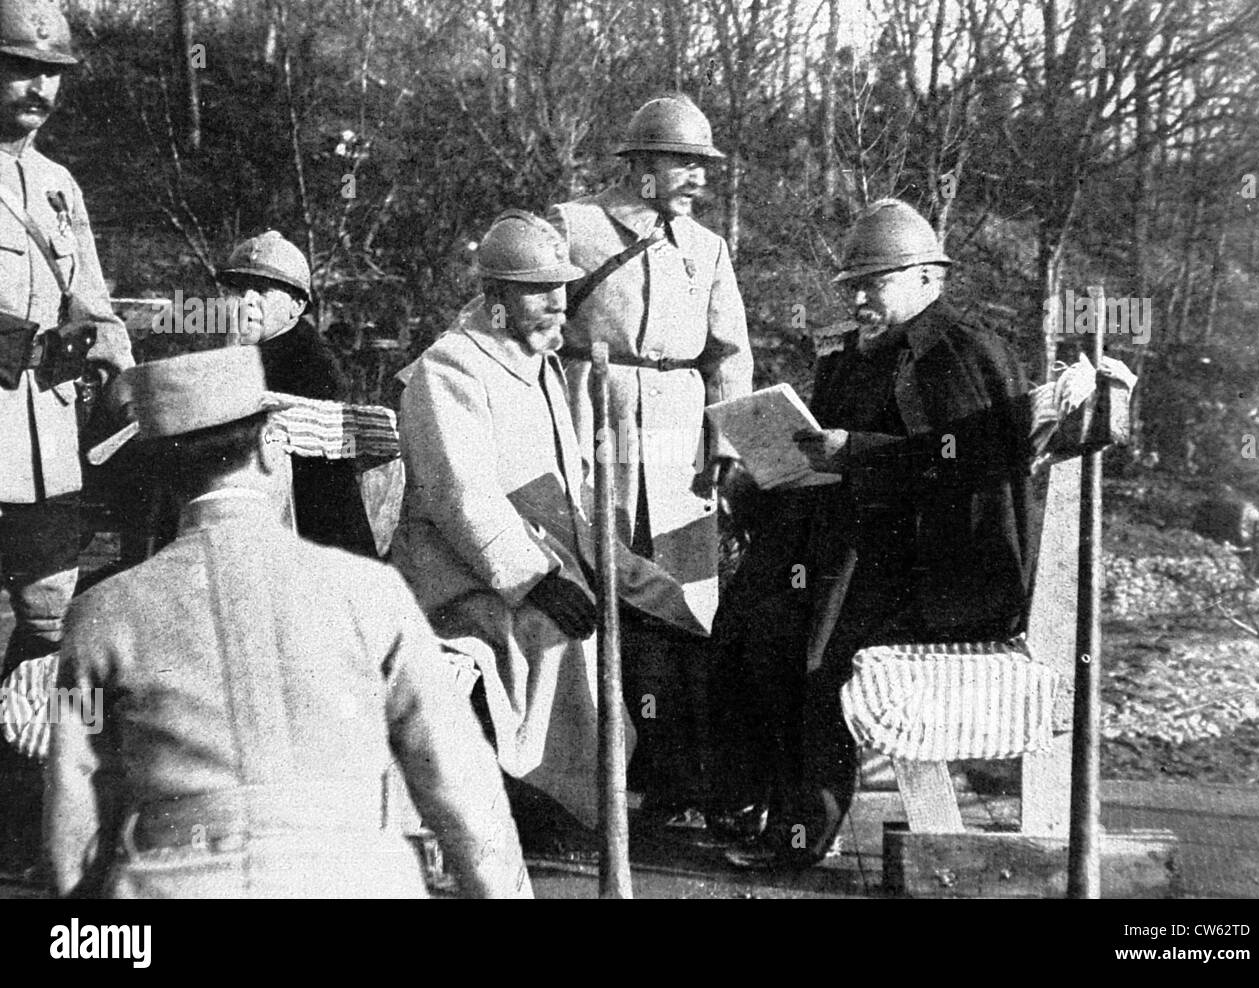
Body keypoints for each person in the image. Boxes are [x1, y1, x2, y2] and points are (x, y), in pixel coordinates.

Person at [44, 345, 531, 898]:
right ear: (272, 452)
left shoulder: (95, 618)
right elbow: (461, 783)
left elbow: (72, 798)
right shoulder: (374, 593)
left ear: (159, 480)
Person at [711, 198, 1036, 866]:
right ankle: (744, 800)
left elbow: (968, 467)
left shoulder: (964, 354)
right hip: (847, 543)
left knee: (812, 644)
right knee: (747, 618)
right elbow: (822, 453)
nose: (860, 298)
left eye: (875, 283)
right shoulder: (852, 357)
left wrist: (856, 453)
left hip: (940, 567)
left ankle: (801, 832)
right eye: (852, 285)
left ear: (930, 278)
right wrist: (759, 475)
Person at [389, 209, 706, 836]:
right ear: (495, 297)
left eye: (562, 285)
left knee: (679, 611)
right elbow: (460, 497)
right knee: (560, 633)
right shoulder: (450, 367)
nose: (559, 302)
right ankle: (559, 806)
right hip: (461, 579)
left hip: (550, 557)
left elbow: (569, 493)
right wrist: (533, 580)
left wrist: (615, 568)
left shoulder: (541, 362)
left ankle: (668, 789)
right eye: (538, 288)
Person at [546, 94, 753, 818]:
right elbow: (527, 319)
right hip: (589, 417)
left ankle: (675, 782)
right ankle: (590, 776)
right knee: (595, 587)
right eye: (682, 162)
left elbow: (730, 356)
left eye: (703, 164)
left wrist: (724, 444)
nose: (697, 177)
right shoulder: (573, 228)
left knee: (680, 602)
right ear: (639, 167)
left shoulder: (708, 249)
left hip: (677, 441)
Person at [0, 0, 134, 873]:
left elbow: (90, 292)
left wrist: (112, 348)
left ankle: (38, 810)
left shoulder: (58, 184)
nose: (39, 86)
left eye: (50, 72)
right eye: (20, 66)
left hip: (47, 449)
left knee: (57, 631)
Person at [217, 230, 378, 557]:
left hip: (312, 542)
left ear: (297, 305)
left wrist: (232, 353)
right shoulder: (253, 353)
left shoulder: (311, 365)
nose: (246, 300)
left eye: (261, 290)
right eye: (236, 289)